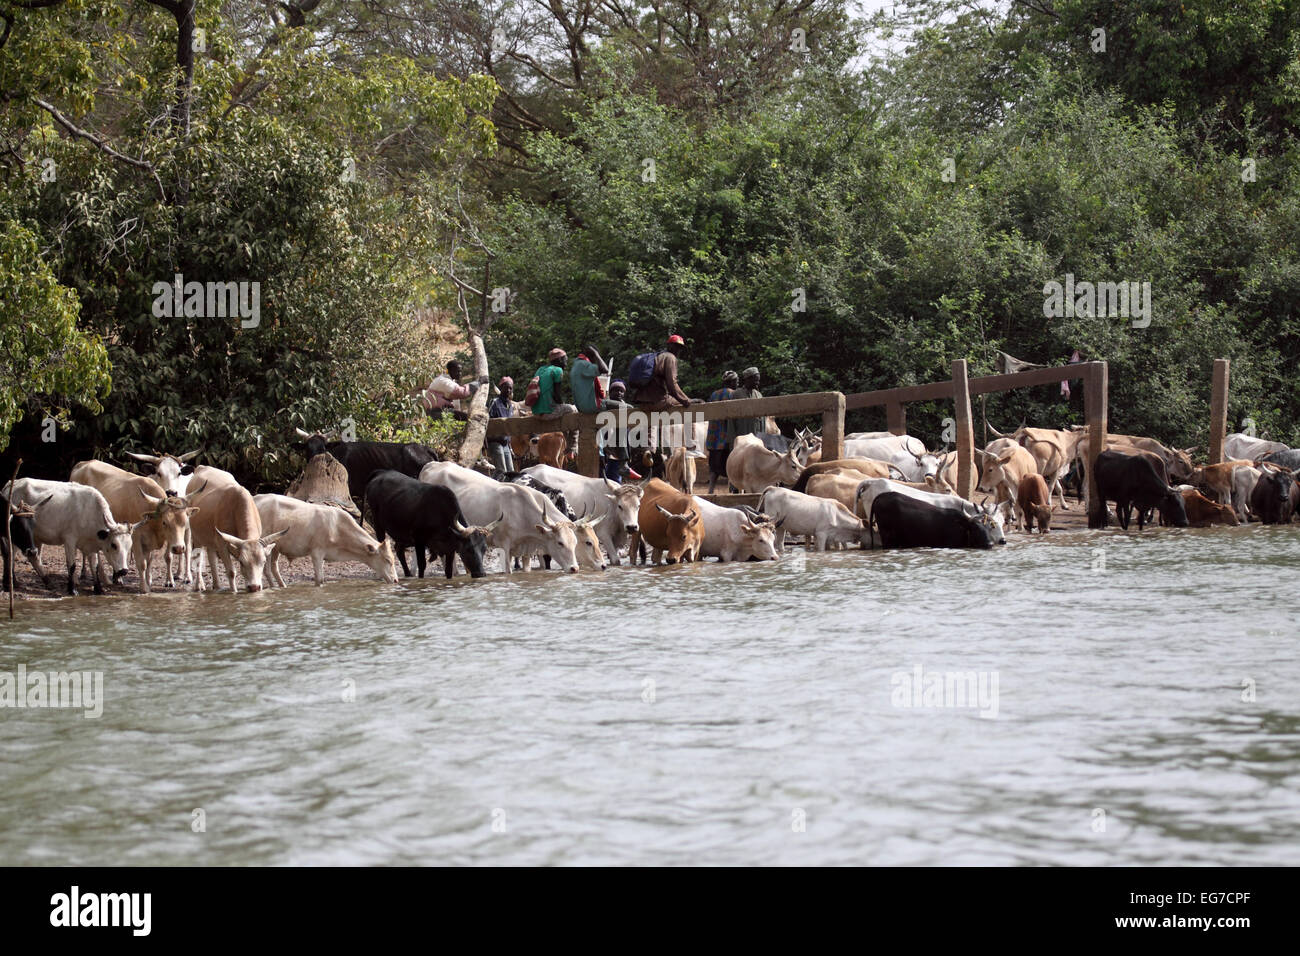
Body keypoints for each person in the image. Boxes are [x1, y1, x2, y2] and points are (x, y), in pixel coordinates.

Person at [531, 347, 579, 460]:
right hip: (547, 412)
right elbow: (557, 396)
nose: (566, 363)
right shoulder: (558, 370)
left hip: (536, 412)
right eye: (565, 360)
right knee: (573, 410)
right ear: (560, 360)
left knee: (564, 412)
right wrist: (562, 405)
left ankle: (567, 445)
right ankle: (573, 447)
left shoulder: (541, 369)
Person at [635, 334, 701, 408]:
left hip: (642, 403)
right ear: (669, 345)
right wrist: (687, 401)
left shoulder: (657, 356)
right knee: (695, 404)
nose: (678, 349)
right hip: (657, 402)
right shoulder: (670, 357)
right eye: (676, 346)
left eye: (680, 347)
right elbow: (672, 384)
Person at [706, 370, 739, 494]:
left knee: (714, 467)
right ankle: (732, 489)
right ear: (731, 382)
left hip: (714, 437)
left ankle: (710, 489)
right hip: (726, 437)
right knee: (730, 465)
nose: (738, 383)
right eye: (736, 381)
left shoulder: (714, 394)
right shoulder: (734, 394)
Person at [600, 379, 632, 482]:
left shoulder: (624, 406)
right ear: (610, 392)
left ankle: (624, 465)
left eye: (621, 391)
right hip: (608, 445)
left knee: (615, 478)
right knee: (608, 476)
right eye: (616, 390)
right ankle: (624, 464)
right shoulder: (607, 403)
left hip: (619, 449)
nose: (619, 393)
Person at [487, 377, 516, 474]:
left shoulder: (510, 406)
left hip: (506, 443)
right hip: (495, 442)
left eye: (510, 388)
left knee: (511, 471)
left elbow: (509, 428)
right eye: (506, 387)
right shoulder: (495, 402)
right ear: (501, 388)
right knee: (502, 471)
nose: (508, 390)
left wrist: (510, 447)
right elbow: (488, 421)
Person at [570, 344, 610, 414]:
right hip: (591, 406)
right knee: (626, 407)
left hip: (581, 407)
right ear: (593, 356)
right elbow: (605, 369)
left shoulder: (576, 364)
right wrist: (596, 354)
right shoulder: (584, 364)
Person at [731, 366, 764, 440]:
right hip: (741, 435)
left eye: (758, 381)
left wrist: (763, 437)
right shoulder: (736, 394)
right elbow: (731, 420)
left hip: (757, 435)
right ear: (748, 379)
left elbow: (762, 419)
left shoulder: (759, 395)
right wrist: (732, 439)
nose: (758, 383)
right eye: (756, 381)